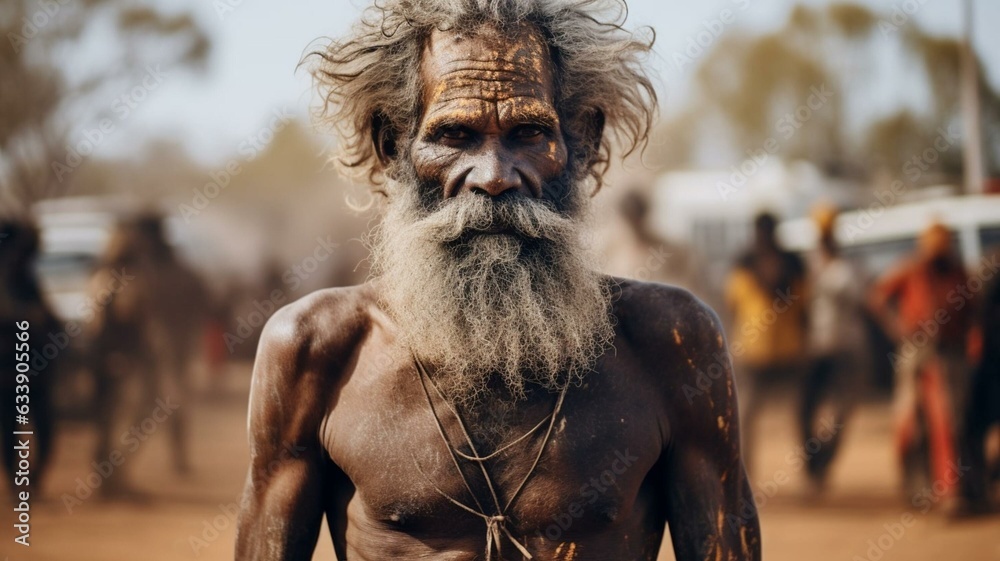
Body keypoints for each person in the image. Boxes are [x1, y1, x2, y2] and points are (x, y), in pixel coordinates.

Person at [235, 2, 761, 560]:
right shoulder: (316, 350)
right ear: (393, 146)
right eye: (455, 135)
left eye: (529, 133)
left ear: (579, 141)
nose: (493, 176)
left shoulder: (670, 344)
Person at [870, 223, 975, 500]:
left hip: (948, 354)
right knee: (909, 421)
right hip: (916, 351)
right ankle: (913, 485)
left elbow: (971, 312)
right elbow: (877, 297)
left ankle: (950, 488)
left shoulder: (957, 273)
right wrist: (898, 329)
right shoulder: (911, 269)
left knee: (947, 420)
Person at [725, 211, 808, 474]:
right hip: (755, 351)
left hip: (785, 349)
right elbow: (733, 305)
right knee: (747, 415)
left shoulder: (791, 263)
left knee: (798, 413)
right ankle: (746, 474)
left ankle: (809, 469)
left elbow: (804, 305)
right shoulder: (747, 263)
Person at [800, 205, 866, 491]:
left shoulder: (845, 269)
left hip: (844, 350)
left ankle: (823, 461)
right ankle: (813, 463)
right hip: (815, 349)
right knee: (804, 410)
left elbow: (853, 297)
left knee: (840, 412)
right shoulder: (810, 265)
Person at [0, 220, 59, 498]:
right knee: (13, 430)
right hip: (10, 371)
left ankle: (28, 483)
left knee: (41, 430)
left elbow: (48, 321)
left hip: (35, 369)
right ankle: (18, 485)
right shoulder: (11, 280)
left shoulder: (27, 280)